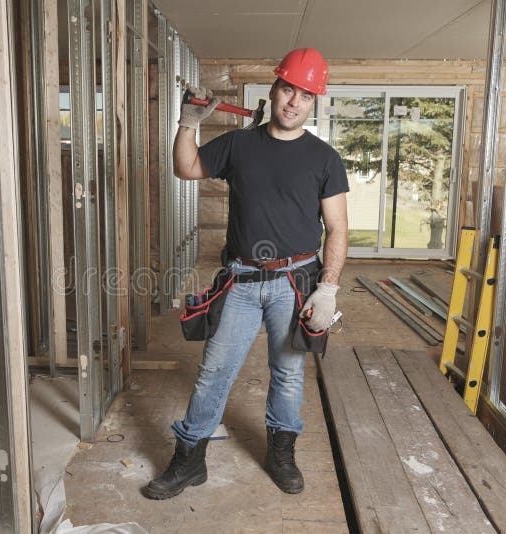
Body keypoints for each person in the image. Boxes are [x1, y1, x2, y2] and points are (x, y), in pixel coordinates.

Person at [144, 48, 349, 500]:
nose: (295, 102)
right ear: (274, 90)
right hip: (240, 280)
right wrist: (188, 123)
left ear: (314, 103)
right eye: (289, 90)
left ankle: (281, 453)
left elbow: (337, 228)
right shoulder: (239, 144)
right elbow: (186, 167)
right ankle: (189, 461)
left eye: (306, 95)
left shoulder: (324, 158)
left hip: (296, 282)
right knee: (214, 372)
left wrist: (328, 289)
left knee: (289, 373)